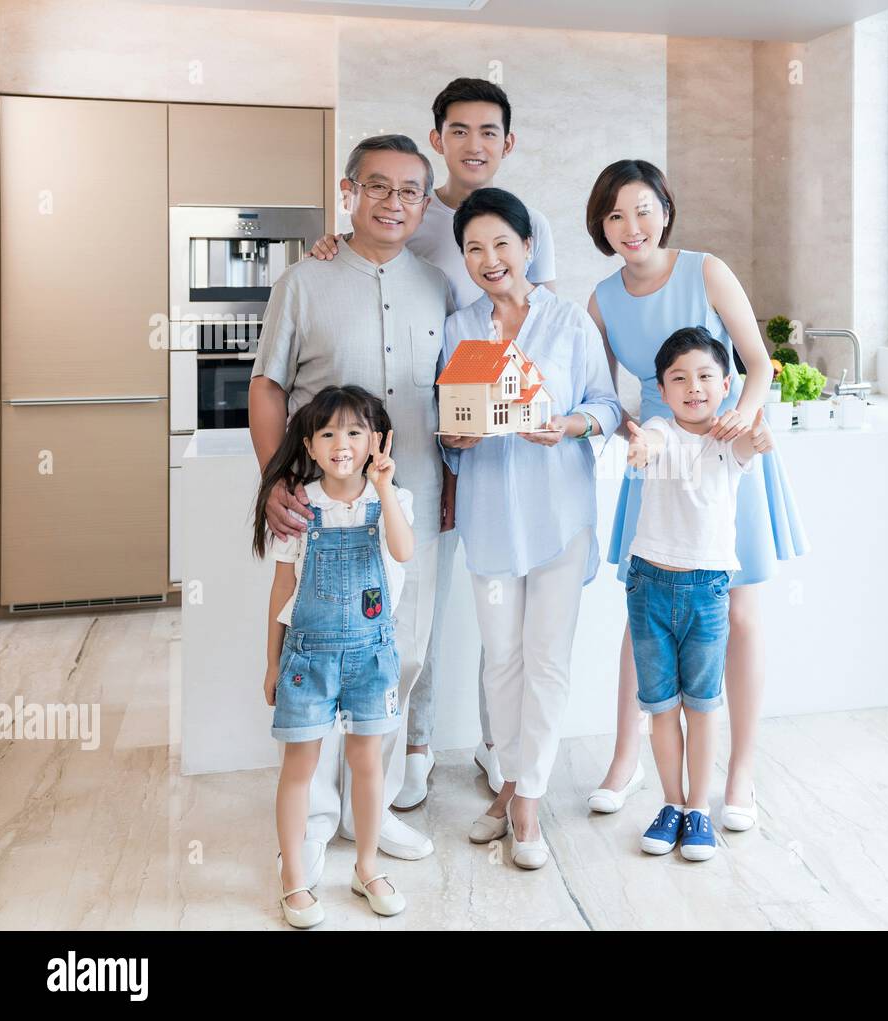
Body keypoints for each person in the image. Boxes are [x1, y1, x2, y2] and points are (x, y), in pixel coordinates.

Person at [309, 78, 556, 805]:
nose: (474, 145)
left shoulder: (529, 219)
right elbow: (361, 253)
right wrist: (329, 241)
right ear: (438, 136)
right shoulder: (408, 216)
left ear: (507, 142)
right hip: (414, 447)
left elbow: (537, 333)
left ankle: (496, 748)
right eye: (459, 130)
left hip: (491, 448)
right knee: (420, 611)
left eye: (489, 132)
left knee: (486, 619)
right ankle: (413, 746)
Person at [249, 134, 451, 887]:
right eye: (378, 186)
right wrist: (275, 480)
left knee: (398, 655)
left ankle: (375, 810)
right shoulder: (305, 278)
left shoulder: (438, 284)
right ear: (348, 190)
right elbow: (269, 387)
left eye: (408, 191)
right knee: (315, 649)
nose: (393, 202)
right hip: (323, 509)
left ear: (424, 204)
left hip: (410, 503)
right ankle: (311, 824)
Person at [584, 159, 809, 829]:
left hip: (727, 448)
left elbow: (760, 361)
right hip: (655, 455)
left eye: (643, 208)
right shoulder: (601, 298)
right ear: (602, 225)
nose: (632, 226)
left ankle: (739, 775)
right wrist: (623, 427)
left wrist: (745, 412)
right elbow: (601, 392)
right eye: (616, 214)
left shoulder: (706, 269)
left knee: (738, 613)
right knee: (642, 609)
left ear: (666, 208)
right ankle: (626, 759)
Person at [439, 188, 620, 869]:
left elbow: (606, 406)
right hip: (490, 517)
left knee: (547, 659)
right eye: (474, 249)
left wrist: (569, 424)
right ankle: (509, 778)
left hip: (559, 517)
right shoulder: (460, 330)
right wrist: (455, 436)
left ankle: (527, 800)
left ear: (528, 247)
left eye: (501, 244)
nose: (490, 259)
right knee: (502, 661)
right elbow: (452, 436)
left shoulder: (570, 322)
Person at [254, 386, 414, 927]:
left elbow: (403, 550)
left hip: (372, 657)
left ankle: (367, 866)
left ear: (376, 439)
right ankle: (293, 877)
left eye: (354, 431)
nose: (341, 443)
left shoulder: (392, 498)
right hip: (308, 659)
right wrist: (272, 662)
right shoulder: (301, 505)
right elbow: (281, 592)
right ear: (309, 444)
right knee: (299, 767)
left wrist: (384, 488)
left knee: (367, 763)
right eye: (327, 433)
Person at [625, 328, 773, 861]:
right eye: (679, 378)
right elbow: (654, 441)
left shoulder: (729, 439)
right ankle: (671, 804)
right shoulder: (662, 428)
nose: (694, 387)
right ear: (662, 391)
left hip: (708, 588)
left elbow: (746, 445)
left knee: (704, 705)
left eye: (706, 376)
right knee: (661, 705)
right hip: (648, 585)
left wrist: (757, 434)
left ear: (727, 384)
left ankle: (700, 810)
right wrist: (641, 446)